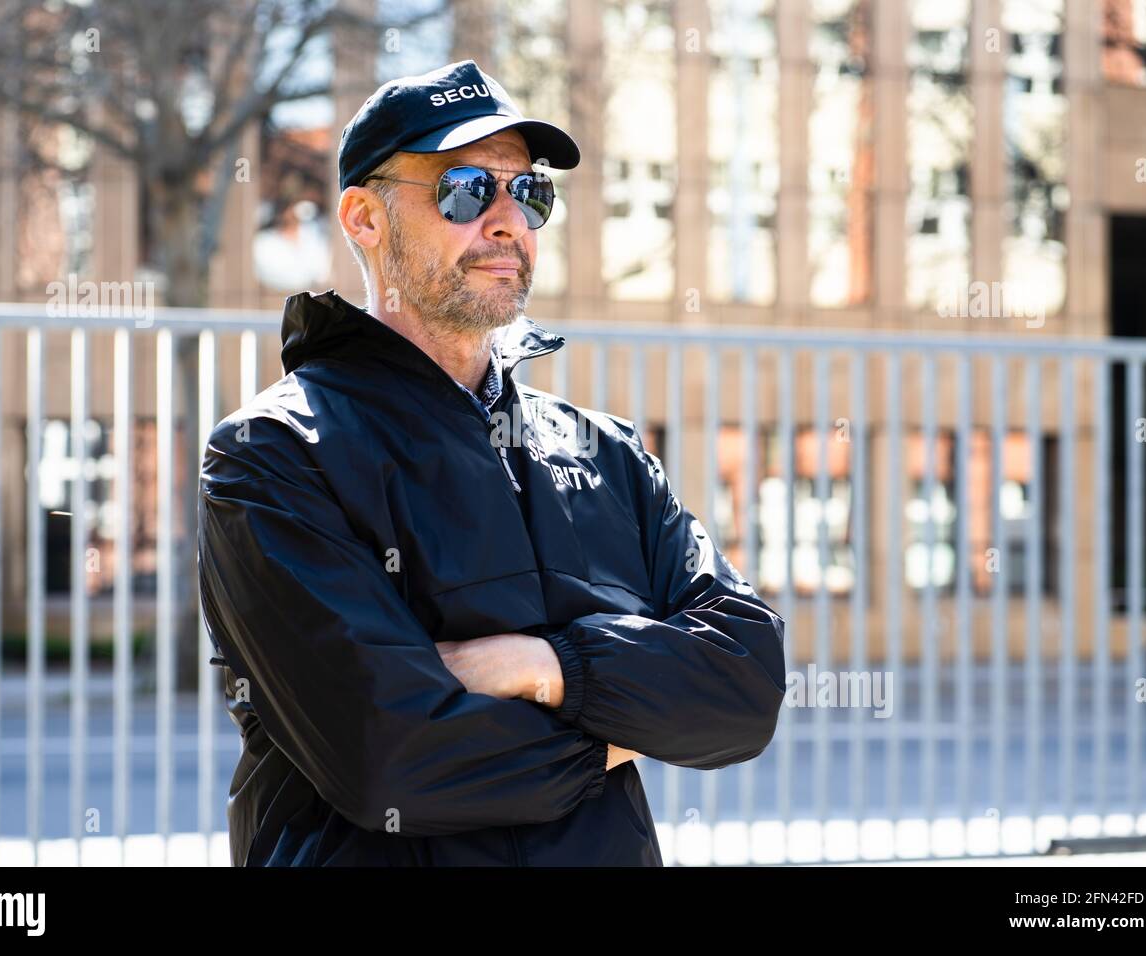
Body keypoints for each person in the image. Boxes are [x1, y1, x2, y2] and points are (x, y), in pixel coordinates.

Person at [197, 58, 787, 866]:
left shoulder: (606, 455)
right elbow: (394, 763)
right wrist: (627, 730)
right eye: (467, 189)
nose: (509, 220)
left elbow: (746, 687)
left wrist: (549, 667)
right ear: (364, 219)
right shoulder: (274, 456)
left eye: (530, 192)